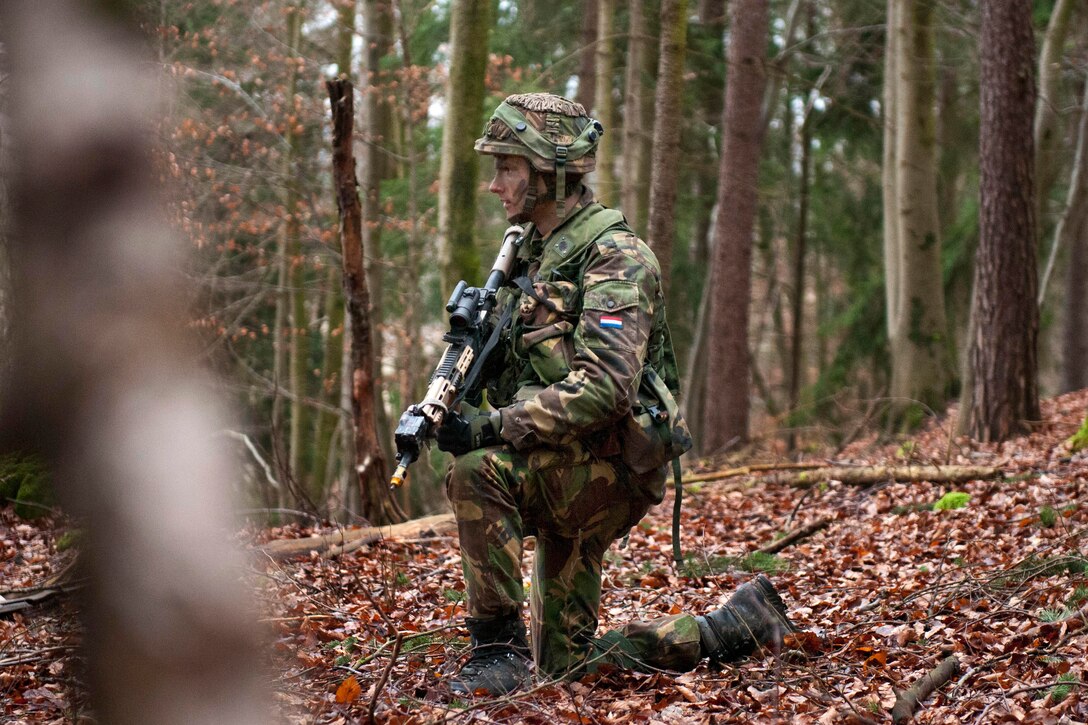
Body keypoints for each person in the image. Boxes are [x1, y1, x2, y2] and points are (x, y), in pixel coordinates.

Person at [435, 92, 796, 696]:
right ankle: (728, 628)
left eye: (508, 167)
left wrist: (490, 429)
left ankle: (495, 650)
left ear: (550, 170)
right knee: (565, 668)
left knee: (477, 472)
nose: (495, 184)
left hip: (608, 467)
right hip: (560, 457)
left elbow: (603, 388)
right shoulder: (531, 252)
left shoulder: (616, 257)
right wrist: (456, 403)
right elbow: (519, 373)